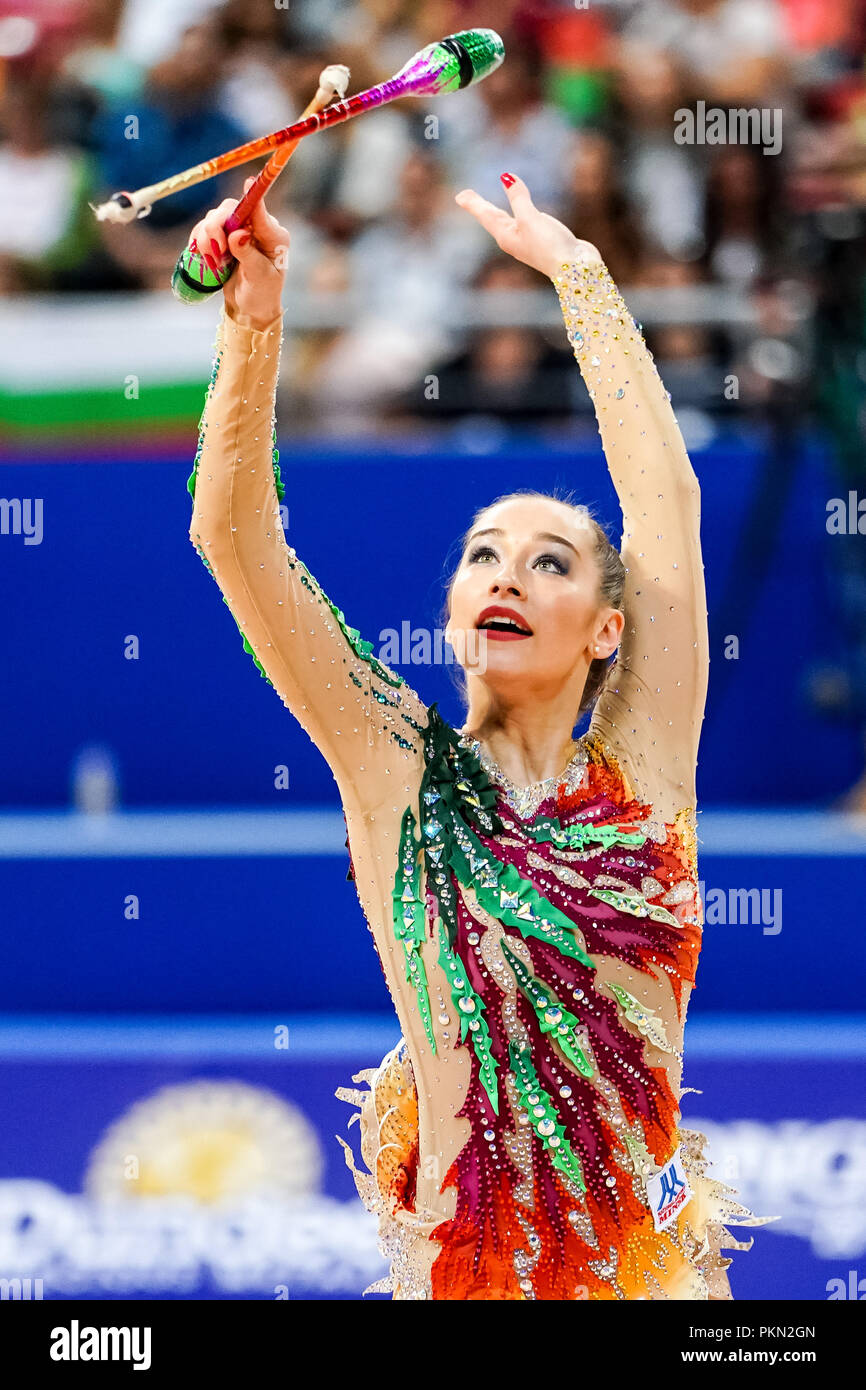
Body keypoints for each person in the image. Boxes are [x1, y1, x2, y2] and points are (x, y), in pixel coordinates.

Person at [186, 172, 770, 1300]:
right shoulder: (394, 772)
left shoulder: (642, 769)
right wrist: (255, 324)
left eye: (548, 558)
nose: (506, 570)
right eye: (483, 553)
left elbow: (665, 509)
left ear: (609, 626)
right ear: (452, 613)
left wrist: (579, 278)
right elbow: (232, 536)